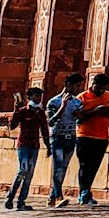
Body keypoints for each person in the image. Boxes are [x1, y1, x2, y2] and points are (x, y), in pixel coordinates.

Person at [74, 70, 109, 205]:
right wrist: (95, 112)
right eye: (98, 88)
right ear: (92, 85)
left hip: (101, 137)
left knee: (94, 165)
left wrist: (108, 113)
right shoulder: (82, 97)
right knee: (84, 164)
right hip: (84, 135)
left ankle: (86, 191)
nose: (100, 91)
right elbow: (77, 117)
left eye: (103, 88)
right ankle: (84, 192)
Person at [4, 84, 49, 210]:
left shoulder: (40, 113)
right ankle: (10, 196)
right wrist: (16, 110)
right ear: (29, 97)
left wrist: (48, 146)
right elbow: (12, 126)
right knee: (22, 171)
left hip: (34, 146)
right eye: (36, 96)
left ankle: (21, 201)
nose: (38, 98)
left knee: (29, 174)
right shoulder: (23, 111)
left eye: (40, 96)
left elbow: (44, 130)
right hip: (23, 145)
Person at [44, 73, 83, 207]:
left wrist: (79, 116)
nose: (77, 89)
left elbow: (81, 120)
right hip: (57, 138)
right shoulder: (53, 102)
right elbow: (51, 121)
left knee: (63, 168)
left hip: (71, 137)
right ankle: (59, 197)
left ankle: (52, 196)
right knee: (58, 168)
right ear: (68, 85)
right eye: (76, 86)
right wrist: (63, 106)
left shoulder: (77, 102)